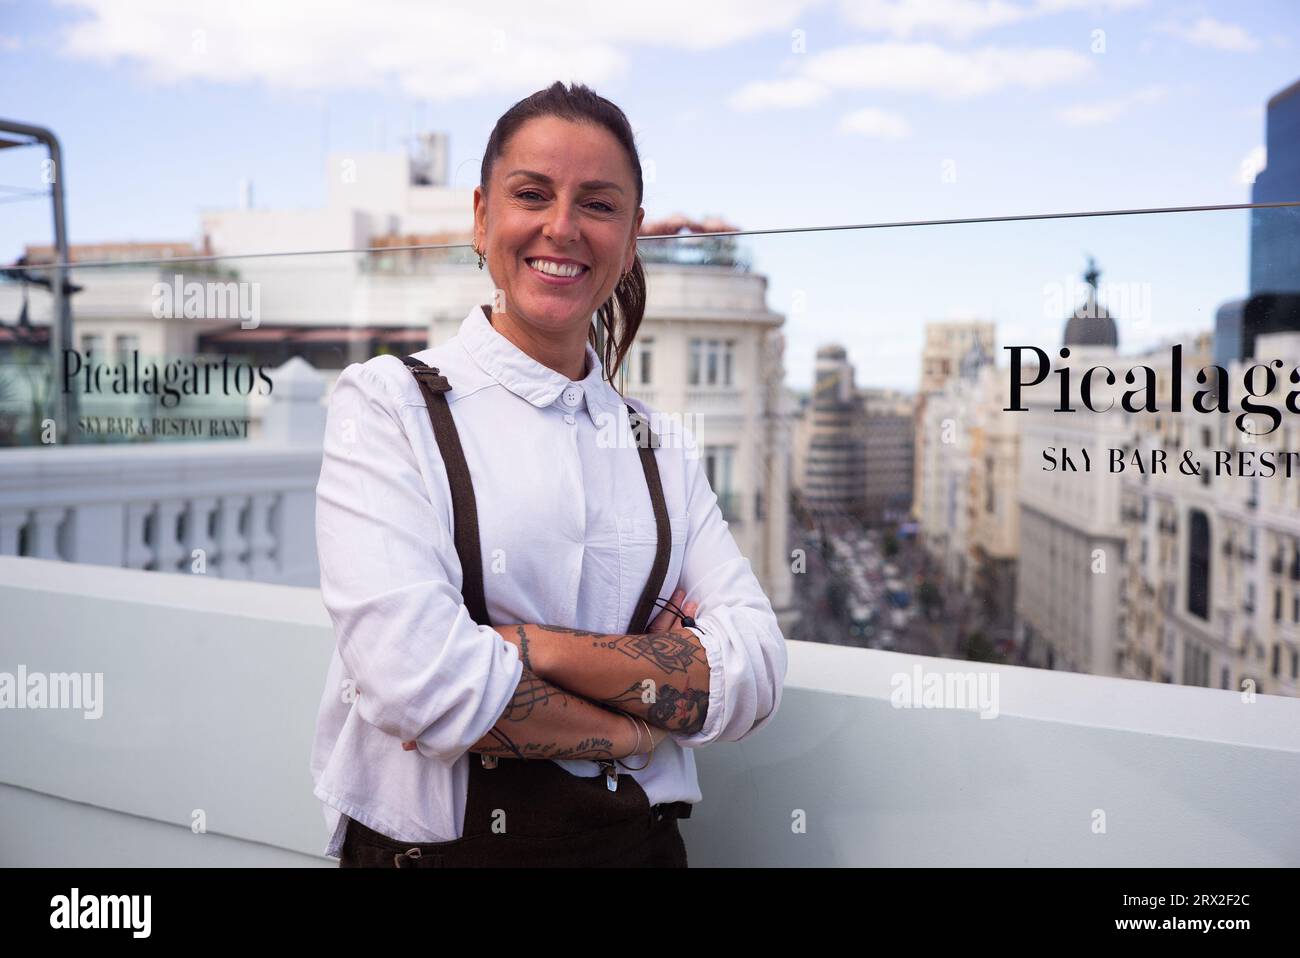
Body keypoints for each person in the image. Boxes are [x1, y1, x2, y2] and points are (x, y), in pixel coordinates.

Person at [310, 81, 787, 867]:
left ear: (631, 238)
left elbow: (754, 673)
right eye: (532, 194)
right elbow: (414, 681)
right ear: (481, 216)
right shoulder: (389, 404)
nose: (561, 227)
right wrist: (639, 724)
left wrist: (525, 645)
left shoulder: (660, 446)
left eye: (597, 205)